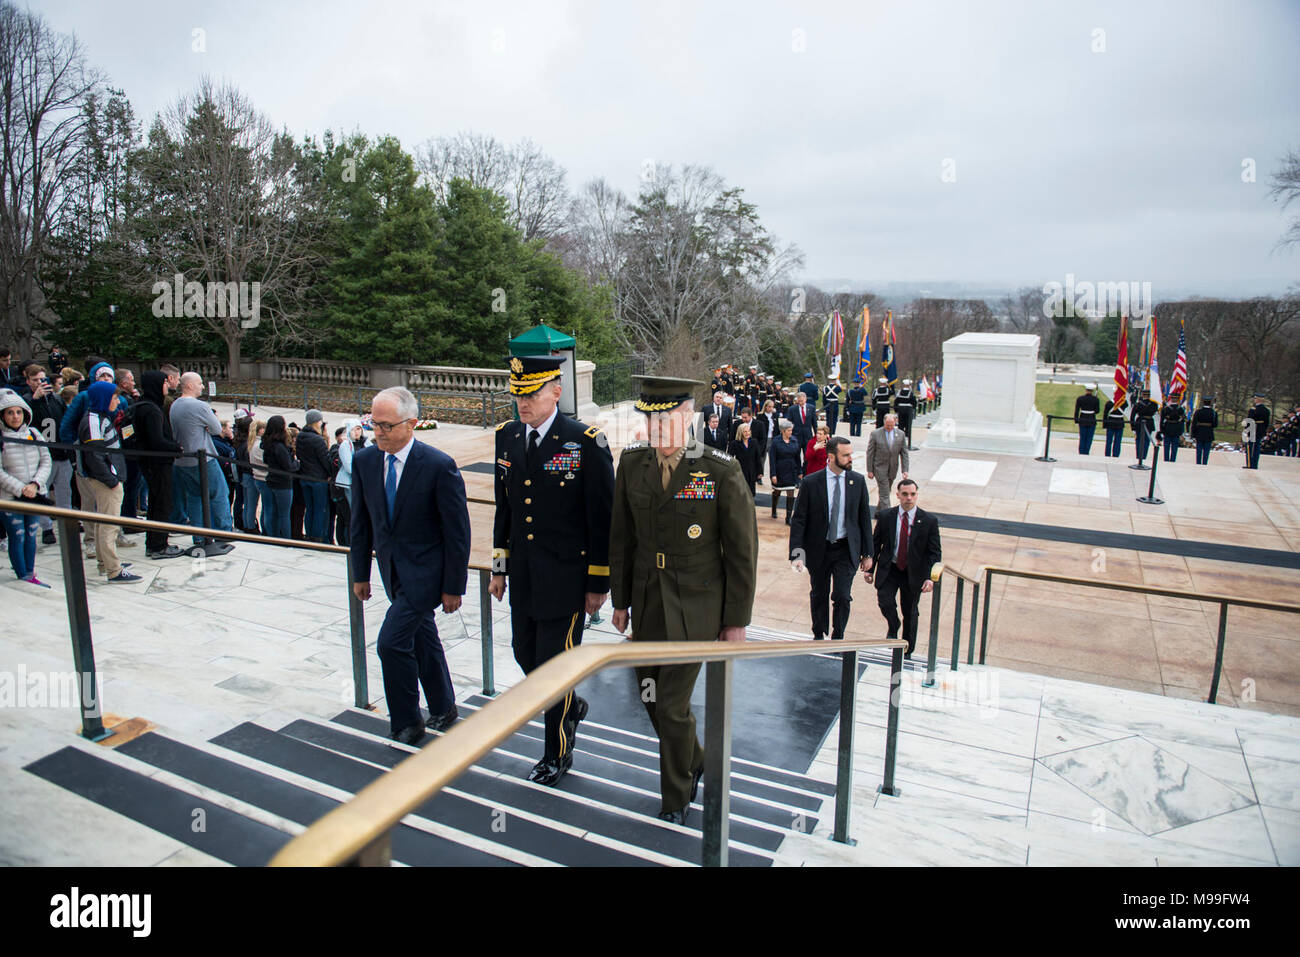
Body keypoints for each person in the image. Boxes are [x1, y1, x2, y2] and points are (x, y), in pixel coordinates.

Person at [609, 375, 758, 824]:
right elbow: (622, 539)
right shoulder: (632, 463)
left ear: (688, 415)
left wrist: (735, 622)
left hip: (696, 607)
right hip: (648, 602)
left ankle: (676, 796)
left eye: (666, 418)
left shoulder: (719, 470)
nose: (656, 428)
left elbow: (741, 552)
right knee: (649, 695)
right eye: (650, 419)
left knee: (672, 705)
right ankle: (696, 758)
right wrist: (621, 601)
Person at [488, 356, 613, 785]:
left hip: (567, 580)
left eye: (531, 394)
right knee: (525, 654)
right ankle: (571, 705)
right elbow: (505, 509)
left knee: (553, 668)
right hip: (524, 575)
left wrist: (598, 582)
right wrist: (499, 568)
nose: (522, 403)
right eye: (517, 395)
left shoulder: (584, 442)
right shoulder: (507, 436)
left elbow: (602, 518)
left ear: (556, 392)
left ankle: (557, 753)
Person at [351, 386, 470, 745]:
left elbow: (457, 533)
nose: (379, 432)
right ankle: (444, 706)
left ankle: (407, 722)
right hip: (392, 572)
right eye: (374, 424)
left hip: (426, 576)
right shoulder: (365, 462)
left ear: (412, 423)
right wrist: (360, 574)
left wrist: (453, 586)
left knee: (391, 643)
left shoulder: (437, 465)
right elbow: (361, 523)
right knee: (422, 636)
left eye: (386, 426)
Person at [789, 436, 873, 641]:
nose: (850, 458)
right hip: (819, 548)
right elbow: (799, 520)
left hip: (846, 549)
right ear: (831, 457)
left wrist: (868, 553)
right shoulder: (811, 482)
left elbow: (864, 519)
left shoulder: (857, 481)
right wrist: (797, 554)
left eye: (851, 454)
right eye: (846, 455)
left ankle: (838, 636)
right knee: (819, 593)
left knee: (842, 595)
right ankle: (818, 634)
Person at [866, 478, 941, 658]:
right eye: (905, 494)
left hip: (913, 573)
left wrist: (930, 577)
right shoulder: (886, 516)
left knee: (910, 611)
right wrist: (870, 569)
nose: (909, 498)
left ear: (917, 495)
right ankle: (893, 625)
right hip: (890, 569)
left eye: (912, 494)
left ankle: (907, 649)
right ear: (898, 495)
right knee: (884, 601)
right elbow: (876, 544)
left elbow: (934, 552)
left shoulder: (929, 521)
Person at [77, 381, 141, 583]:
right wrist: (111, 480)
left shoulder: (100, 417)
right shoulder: (93, 421)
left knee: (103, 522)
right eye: (114, 397)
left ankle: (105, 562)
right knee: (109, 525)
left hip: (107, 478)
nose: (117, 401)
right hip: (105, 480)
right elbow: (94, 456)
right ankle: (114, 569)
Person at [168, 372, 234, 556]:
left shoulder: (175, 405)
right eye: (199, 383)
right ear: (189, 385)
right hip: (203, 459)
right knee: (219, 492)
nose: (203, 386)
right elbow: (216, 429)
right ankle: (224, 532)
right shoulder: (199, 406)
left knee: (194, 497)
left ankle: (199, 536)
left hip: (183, 460)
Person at [131, 370, 186, 559]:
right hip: (157, 463)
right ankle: (158, 546)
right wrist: (176, 448)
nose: (167, 385)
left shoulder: (143, 405)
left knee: (156, 503)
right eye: (164, 382)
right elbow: (156, 440)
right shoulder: (151, 409)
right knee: (161, 503)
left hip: (150, 462)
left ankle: (155, 543)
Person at [0, 389, 52, 586]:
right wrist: (21, 488)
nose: (15, 416)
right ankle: (22, 576)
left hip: (34, 494)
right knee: (18, 535)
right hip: (10, 497)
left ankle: (30, 573)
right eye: (10, 412)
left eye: (18, 412)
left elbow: (46, 461)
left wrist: (35, 484)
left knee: (31, 535)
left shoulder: (34, 433)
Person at [22, 364, 67, 544]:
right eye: (35, 380)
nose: (40, 383)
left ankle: (67, 523)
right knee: (43, 492)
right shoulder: (26, 400)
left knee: (64, 492)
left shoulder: (56, 399)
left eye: (42, 379)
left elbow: (65, 421)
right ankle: (47, 528)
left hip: (61, 452)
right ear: (28, 381)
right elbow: (23, 422)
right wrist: (35, 400)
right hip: (40, 455)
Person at [295, 409, 333, 543]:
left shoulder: (300, 436)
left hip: (305, 477)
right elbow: (325, 460)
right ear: (316, 422)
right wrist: (330, 473)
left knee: (309, 508)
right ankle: (317, 536)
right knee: (319, 509)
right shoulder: (318, 439)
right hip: (318, 479)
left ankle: (309, 533)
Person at [260, 415, 299, 539]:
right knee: (284, 515)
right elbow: (288, 466)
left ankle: (273, 536)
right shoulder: (280, 447)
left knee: (273, 512)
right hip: (283, 483)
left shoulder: (267, 444)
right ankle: (286, 540)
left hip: (271, 480)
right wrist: (297, 463)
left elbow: (265, 460)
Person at [866, 413, 909, 511]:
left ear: (895, 422)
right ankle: (888, 514)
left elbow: (904, 453)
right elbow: (870, 453)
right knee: (885, 493)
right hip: (879, 468)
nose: (889, 427)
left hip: (893, 468)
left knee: (885, 491)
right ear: (884, 422)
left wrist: (905, 470)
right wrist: (870, 470)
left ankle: (879, 512)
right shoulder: (875, 434)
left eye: (891, 425)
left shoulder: (901, 434)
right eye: (887, 425)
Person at [768, 419, 801, 524]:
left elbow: (797, 457)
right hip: (780, 470)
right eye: (788, 431)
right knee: (777, 491)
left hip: (791, 470)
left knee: (791, 492)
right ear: (783, 431)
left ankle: (788, 517)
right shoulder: (776, 442)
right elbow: (772, 459)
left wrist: (800, 471)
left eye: (791, 430)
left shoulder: (794, 440)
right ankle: (774, 509)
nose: (791, 432)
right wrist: (773, 474)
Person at [728, 420, 761, 495]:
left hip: (752, 471)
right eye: (745, 431)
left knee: (751, 492)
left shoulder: (754, 442)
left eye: (748, 431)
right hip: (740, 471)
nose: (747, 433)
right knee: (740, 492)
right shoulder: (735, 443)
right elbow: (730, 458)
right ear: (740, 432)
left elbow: (758, 458)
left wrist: (760, 471)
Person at [247, 420, 269, 533]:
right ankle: (265, 529)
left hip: (257, 477)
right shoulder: (259, 445)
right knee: (266, 506)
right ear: (261, 430)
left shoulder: (252, 443)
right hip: (263, 478)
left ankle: (251, 526)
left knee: (253, 504)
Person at [788, 391, 817, 470]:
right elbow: (789, 423)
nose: (800, 403)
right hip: (796, 436)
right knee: (796, 455)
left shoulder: (811, 408)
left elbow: (814, 423)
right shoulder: (792, 409)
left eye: (802, 401)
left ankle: (805, 471)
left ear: (805, 399)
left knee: (807, 455)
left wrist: (816, 435)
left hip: (808, 436)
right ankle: (797, 472)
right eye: (799, 401)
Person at [1130, 389, 1159, 464]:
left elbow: (1132, 416)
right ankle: (1144, 456)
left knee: (1139, 441)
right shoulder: (1154, 404)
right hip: (1149, 423)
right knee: (1146, 441)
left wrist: (1133, 426)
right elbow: (1155, 411)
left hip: (1140, 422)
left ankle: (1138, 456)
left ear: (1142, 395)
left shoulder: (1138, 404)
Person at [1245, 393, 1270, 470]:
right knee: (1256, 447)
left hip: (1253, 428)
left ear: (1259, 399)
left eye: (1255, 398)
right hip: (1260, 429)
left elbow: (1249, 420)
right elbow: (1266, 422)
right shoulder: (1266, 410)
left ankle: (1250, 464)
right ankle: (1254, 464)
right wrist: (1263, 430)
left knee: (1251, 448)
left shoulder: (1253, 409)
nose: (1254, 400)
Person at [1190, 396, 1218, 465]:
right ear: (1210, 403)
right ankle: (1204, 463)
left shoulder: (1198, 412)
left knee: (1199, 450)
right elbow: (1215, 425)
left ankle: (1198, 463)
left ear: (1203, 402)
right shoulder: (1213, 413)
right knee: (1206, 451)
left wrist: (1193, 434)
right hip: (1208, 433)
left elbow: (1194, 424)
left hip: (1199, 432)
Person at [1074, 383, 1101, 454]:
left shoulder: (1080, 398)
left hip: (1082, 419)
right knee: (1089, 438)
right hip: (1091, 419)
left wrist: (1076, 421)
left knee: (1082, 437)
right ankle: (1086, 452)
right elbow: (1097, 411)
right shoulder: (1096, 399)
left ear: (1086, 390)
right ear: (1092, 391)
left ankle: (1081, 452)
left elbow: (1077, 410)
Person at [1159, 396, 1186, 462]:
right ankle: (1173, 460)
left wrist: (1162, 430)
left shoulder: (1165, 409)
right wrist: (1181, 431)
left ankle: (1166, 459)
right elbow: (1183, 421)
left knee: (1166, 446)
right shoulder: (1181, 409)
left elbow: (1162, 421)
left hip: (1167, 428)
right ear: (1178, 400)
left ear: (1171, 399)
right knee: (1174, 446)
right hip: (1176, 429)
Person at [894, 379, 917, 448]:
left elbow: (896, 401)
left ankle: (900, 437)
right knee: (907, 424)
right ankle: (907, 437)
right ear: (909, 385)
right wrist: (913, 408)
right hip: (908, 410)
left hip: (900, 409)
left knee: (901, 424)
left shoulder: (899, 392)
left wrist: (896, 410)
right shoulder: (911, 393)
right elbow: (914, 402)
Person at [1102, 394, 1126, 458]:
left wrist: (1104, 425)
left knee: (1109, 441)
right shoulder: (1123, 403)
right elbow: (1126, 404)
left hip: (1110, 422)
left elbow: (1105, 415)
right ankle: (1116, 455)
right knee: (1117, 441)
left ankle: (1107, 454)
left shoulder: (1109, 403)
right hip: (1119, 423)